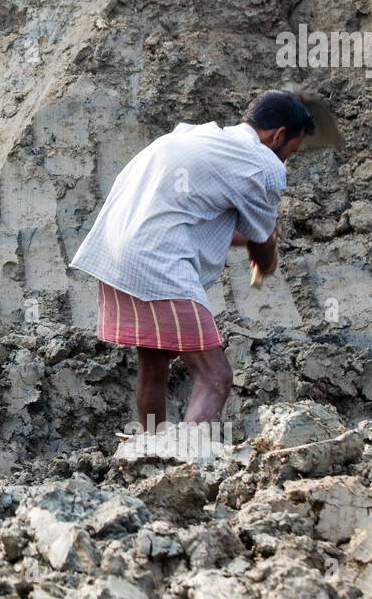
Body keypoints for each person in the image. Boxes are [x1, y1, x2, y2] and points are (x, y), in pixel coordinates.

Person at [70, 90, 313, 430]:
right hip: (158, 262)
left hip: (115, 255)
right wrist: (267, 249)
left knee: (153, 367)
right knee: (215, 376)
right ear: (279, 135)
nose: (285, 161)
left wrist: (256, 239)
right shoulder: (262, 163)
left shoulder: (195, 136)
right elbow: (263, 249)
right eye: (290, 151)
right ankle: (188, 460)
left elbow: (194, 219)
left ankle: (153, 455)